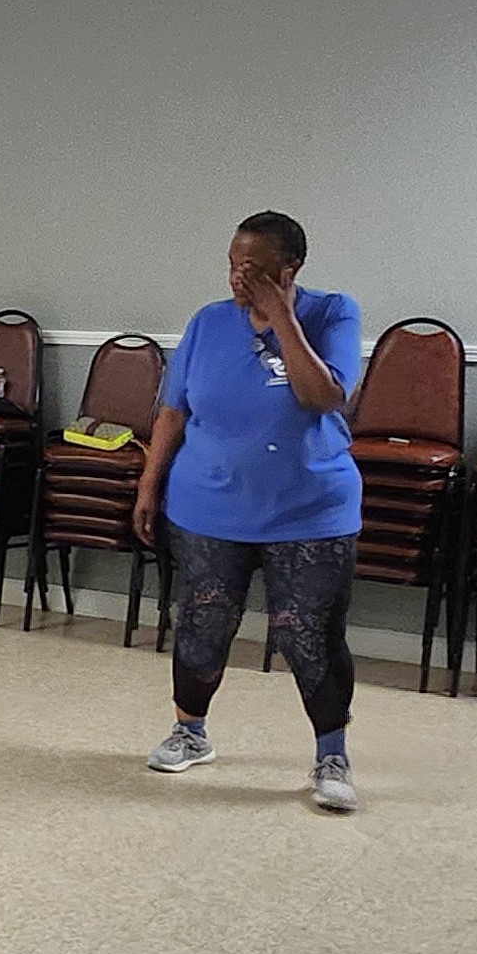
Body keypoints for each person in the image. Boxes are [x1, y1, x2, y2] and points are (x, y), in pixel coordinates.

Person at [133, 211, 365, 811]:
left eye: (255, 269)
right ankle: (190, 731)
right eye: (234, 264)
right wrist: (147, 486)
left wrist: (282, 317)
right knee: (203, 624)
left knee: (307, 634)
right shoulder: (208, 323)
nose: (239, 278)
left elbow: (323, 395)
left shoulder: (333, 312)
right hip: (208, 504)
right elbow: (173, 412)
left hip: (309, 508)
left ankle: (331, 756)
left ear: (290, 269)